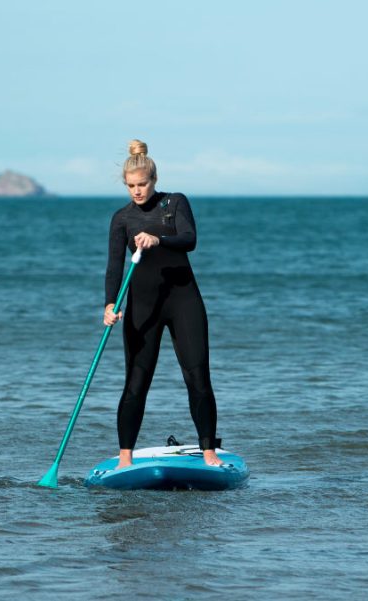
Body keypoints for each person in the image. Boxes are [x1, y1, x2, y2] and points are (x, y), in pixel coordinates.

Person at [104, 139, 222, 469]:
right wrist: (110, 304)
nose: (137, 192)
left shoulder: (175, 203)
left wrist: (159, 240)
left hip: (183, 301)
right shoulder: (122, 219)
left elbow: (190, 240)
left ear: (153, 180)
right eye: (131, 186)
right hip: (142, 306)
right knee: (136, 381)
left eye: (142, 185)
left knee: (197, 376)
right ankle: (125, 458)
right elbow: (114, 266)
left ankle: (209, 451)